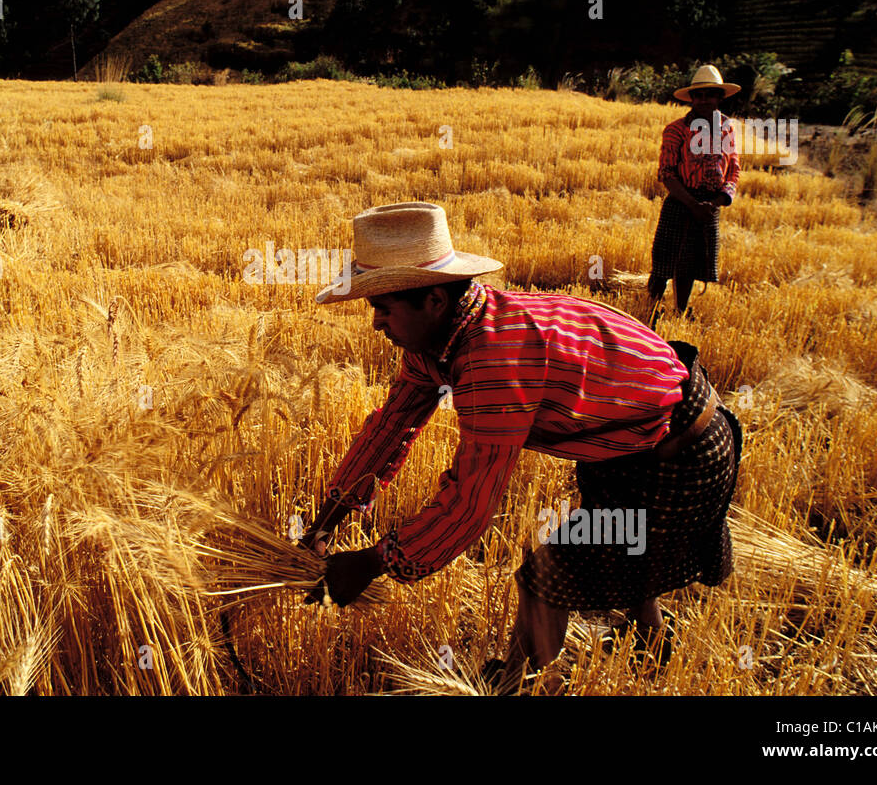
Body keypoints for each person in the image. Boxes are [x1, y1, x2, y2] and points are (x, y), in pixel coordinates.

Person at [299, 201, 742, 692]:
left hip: (681, 449)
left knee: (548, 575)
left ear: (434, 302)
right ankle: (654, 650)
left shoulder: (495, 358)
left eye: (384, 309)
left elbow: (471, 503)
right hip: (620, 444)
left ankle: (520, 686)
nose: (376, 324)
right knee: (615, 546)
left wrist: (372, 562)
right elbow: (391, 429)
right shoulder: (439, 341)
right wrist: (326, 522)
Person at [647, 64, 742, 326]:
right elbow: (666, 172)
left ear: (719, 98)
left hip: (710, 204)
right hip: (680, 200)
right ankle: (651, 309)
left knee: (690, 262)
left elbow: (733, 169)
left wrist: (716, 201)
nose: (703, 100)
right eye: (698, 96)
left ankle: (680, 310)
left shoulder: (727, 128)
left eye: (709, 95)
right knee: (664, 259)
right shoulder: (676, 129)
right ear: (692, 99)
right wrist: (691, 203)